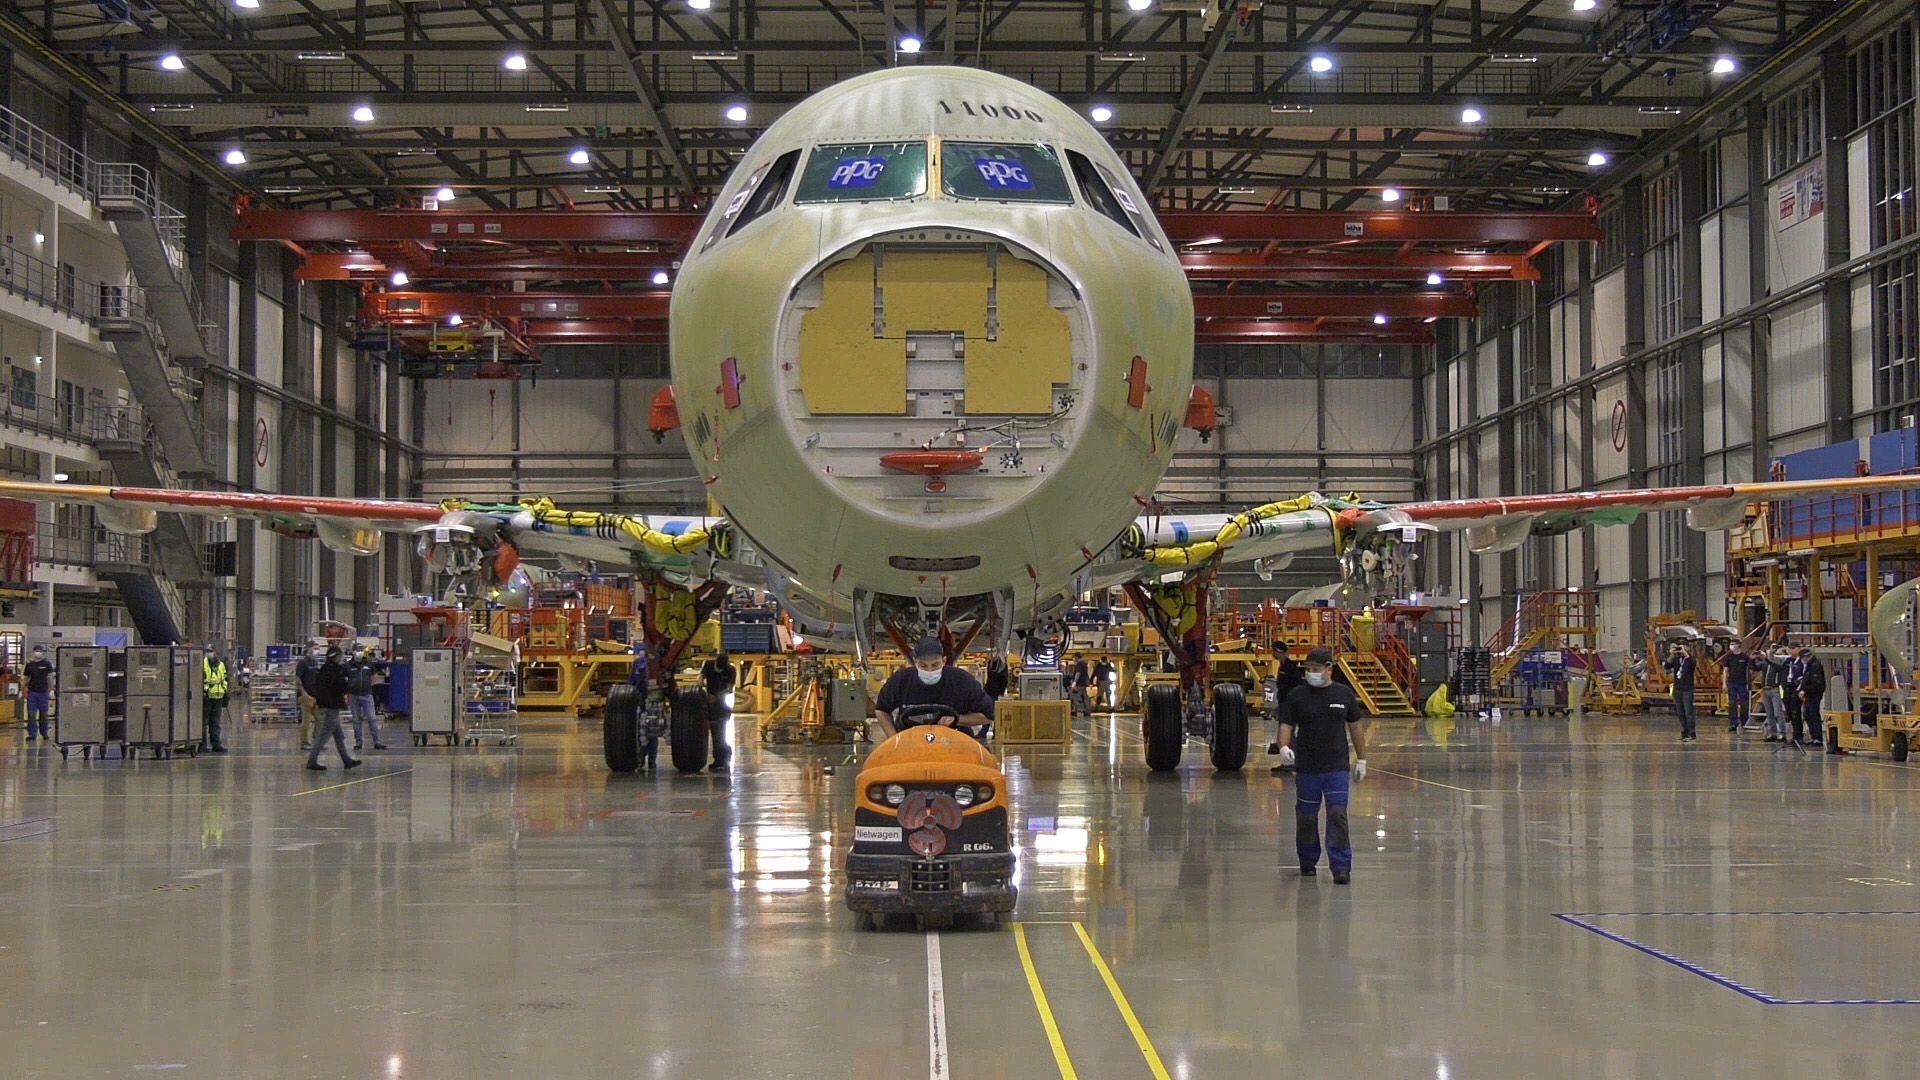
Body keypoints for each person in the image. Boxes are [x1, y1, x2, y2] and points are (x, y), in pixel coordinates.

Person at [1272, 647, 1369, 885]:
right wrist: (1283, 747)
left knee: (1337, 814)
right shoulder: (1297, 696)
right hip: (1307, 768)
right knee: (1306, 817)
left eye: (1315, 670)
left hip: (1336, 767)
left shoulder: (1344, 696)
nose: (1311, 674)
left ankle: (1341, 866)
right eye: (1308, 670)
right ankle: (1307, 860)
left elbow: (1356, 728)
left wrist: (1362, 759)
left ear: (1329, 669)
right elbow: (1286, 725)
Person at [872, 637, 994, 739]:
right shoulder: (900, 680)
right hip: (909, 744)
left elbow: (989, 716)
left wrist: (958, 719)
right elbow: (881, 710)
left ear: (944, 661)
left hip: (956, 744)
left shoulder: (962, 681)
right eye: (923, 665)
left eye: (935, 665)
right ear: (915, 662)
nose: (929, 670)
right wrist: (894, 739)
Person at [303, 646, 360, 771]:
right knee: (324, 734)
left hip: (328, 705)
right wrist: (351, 685)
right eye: (339, 656)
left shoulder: (325, 669)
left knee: (339, 735)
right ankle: (312, 760)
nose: (341, 658)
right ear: (335, 656)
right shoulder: (333, 670)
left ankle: (346, 760)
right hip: (331, 706)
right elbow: (341, 686)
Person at [699, 651, 736, 771]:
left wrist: (716, 697)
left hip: (721, 704)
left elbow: (729, 689)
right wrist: (700, 685)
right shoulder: (709, 666)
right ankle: (718, 759)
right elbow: (701, 677)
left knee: (720, 733)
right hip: (709, 701)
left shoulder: (730, 670)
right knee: (715, 734)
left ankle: (723, 758)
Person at [345, 647, 387, 751]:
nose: (359, 652)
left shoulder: (368, 663)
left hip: (367, 695)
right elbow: (343, 678)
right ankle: (358, 742)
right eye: (356, 650)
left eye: (360, 650)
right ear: (353, 651)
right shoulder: (348, 665)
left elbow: (375, 675)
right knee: (356, 720)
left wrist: (369, 685)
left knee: (372, 718)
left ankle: (377, 742)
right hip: (353, 695)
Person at [1800, 647, 1838, 755]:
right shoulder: (1809, 665)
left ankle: (1817, 739)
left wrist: (1805, 690)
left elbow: (1816, 683)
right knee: (1808, 715)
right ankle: (1814, 737)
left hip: (1813, 695)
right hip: (1809, 695)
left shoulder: (1815, 666)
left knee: (1813, 715)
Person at [629, 648, 658, 771]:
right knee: (639, 732)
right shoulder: (638, 663)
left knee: (652, 731)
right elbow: (632, 682)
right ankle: (640, 758)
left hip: (653, 701)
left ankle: (651, 759)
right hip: (640, 700)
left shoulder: (657, 664)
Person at [1664, 642, 1697, 743]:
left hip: (1687, 689)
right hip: (1677, 688)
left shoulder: (1690, 659)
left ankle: (1692, 734)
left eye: (1684, 647)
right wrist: (1671, 654)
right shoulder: (1676, 659)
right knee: (1680, 713)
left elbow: (1692, 664)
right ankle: (1684, 732)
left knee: (1688, 712)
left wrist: (1685, 652)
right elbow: (1666, 666)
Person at [201, 650, 230, 753]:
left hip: (218, 697)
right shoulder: (203, 663)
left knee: (215, 723)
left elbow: (225, 679)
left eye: (212, 651)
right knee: (203, 723)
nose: (210, 653)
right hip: (206, 697)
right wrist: (204, 692)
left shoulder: (221, 664)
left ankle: (216, 744)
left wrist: (225, 692)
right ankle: (202, 745)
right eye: (208, 651)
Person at [1761, 644, 1790, 743]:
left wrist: (1769, 658)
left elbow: (1778, 667)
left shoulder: (1782, 662)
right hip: (1765, 689)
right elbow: (1756, 667)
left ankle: (1782, 733)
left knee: (1778, 712)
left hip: (1776, 689)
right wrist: (1752, 659)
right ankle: (1772, 733)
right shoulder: (1766, 663)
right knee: (1769, 713)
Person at [1721, 640, 1751, 735]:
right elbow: (1725, 671)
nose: (1731, 646)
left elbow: (1749, 670)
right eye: (1731, 644)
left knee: (1744, 703)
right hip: (1732, 683)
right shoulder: (1728, 658)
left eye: (1733, 644)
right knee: (1732, 703)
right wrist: (1724, 684)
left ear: (1738, 645)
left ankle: (1744, 721)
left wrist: (1749, 683)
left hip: (1742, 683)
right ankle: (1733, 723)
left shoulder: (1745, 657)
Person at [295, 645, 323, 748]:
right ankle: (304, 742)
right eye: (315, 648)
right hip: (306, 695)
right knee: (306, 721)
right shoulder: (303, 663)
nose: (317, 650)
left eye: (318, 649)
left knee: (320, 719)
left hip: (317, 696)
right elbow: (298, 678)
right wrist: (303, 692)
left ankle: (317, 741)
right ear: (308, 649)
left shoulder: (316, 663)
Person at [22, 646, 52, 741]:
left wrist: (51, 690)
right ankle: (32, 734)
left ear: (42, 652)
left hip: (43, 692)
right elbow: (26, 678)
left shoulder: (47, 663)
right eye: (36, 651)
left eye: (39, 651)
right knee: (31, 714)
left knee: (44, 714)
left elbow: (50, 677)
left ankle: (44, 733)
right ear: (33, 652)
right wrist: (22, 689)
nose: (37, 653)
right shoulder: (29, 664)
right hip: (32, 692)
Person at [1783, 645, 1808, 748]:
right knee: (1789, 712)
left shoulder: (1802, 662)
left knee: (1796, 713)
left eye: (1792, 648)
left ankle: (1799, 736)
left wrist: (1800, 687)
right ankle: (1794, 734)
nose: (1790, 650)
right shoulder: (1788, 661)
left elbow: (1804, 675)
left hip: (1796, 690)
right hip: (1786, 689)